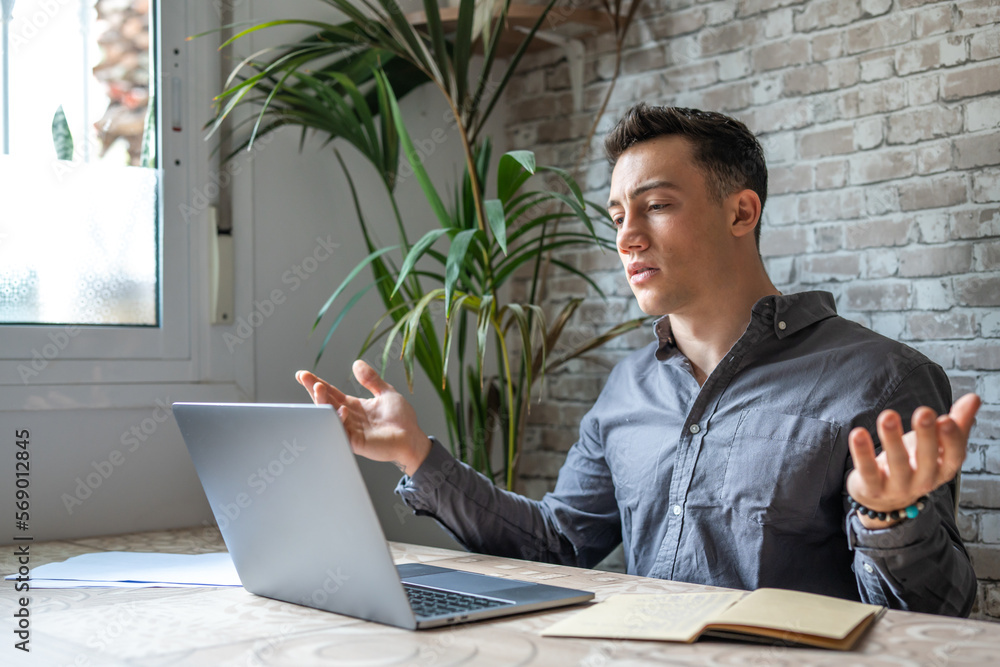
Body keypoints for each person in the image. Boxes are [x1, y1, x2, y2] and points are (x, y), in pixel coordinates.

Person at [297, 104, 981, 616]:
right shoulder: (629, 386)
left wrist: (891, 519)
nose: (626, 235)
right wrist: (419, 455)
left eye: (655, 205)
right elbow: (558, 544)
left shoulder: (882, 380)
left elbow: (933, 620)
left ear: (742, 212)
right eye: (617, 213)